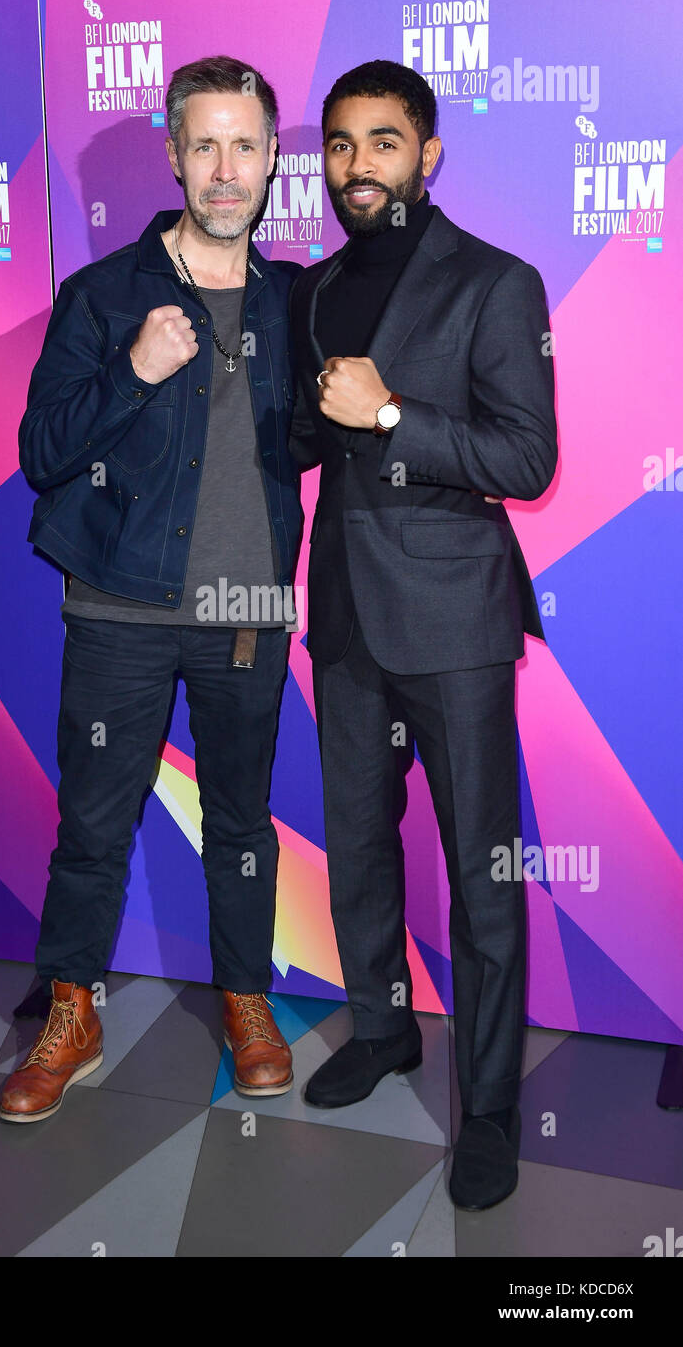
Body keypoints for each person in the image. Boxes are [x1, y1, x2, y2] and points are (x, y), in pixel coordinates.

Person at [1, 55, 304, 1123]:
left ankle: (245, 998)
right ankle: (71, 1009)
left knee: (241, 820)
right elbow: (42, 450)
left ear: (273, 161)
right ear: (173, 156)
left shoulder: (300, 299)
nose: (227, 169)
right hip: (121, 603)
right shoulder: (103, 298)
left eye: (246, 145)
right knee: (94, 821)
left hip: (247, 613)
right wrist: (132, 372)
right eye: (205, 145)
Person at [288, 60, 557, 1209]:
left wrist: (394, 411)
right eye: (341, 146)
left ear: (427, 154)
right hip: (343, 609)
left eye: (383, 143)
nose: (357, 167)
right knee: (359, 847)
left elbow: (526, 459)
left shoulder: (497, 283)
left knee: (481, 871)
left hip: (452, 617)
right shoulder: (311, 290)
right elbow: (306, 440)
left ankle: (490, 1103)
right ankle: (384, 1028)